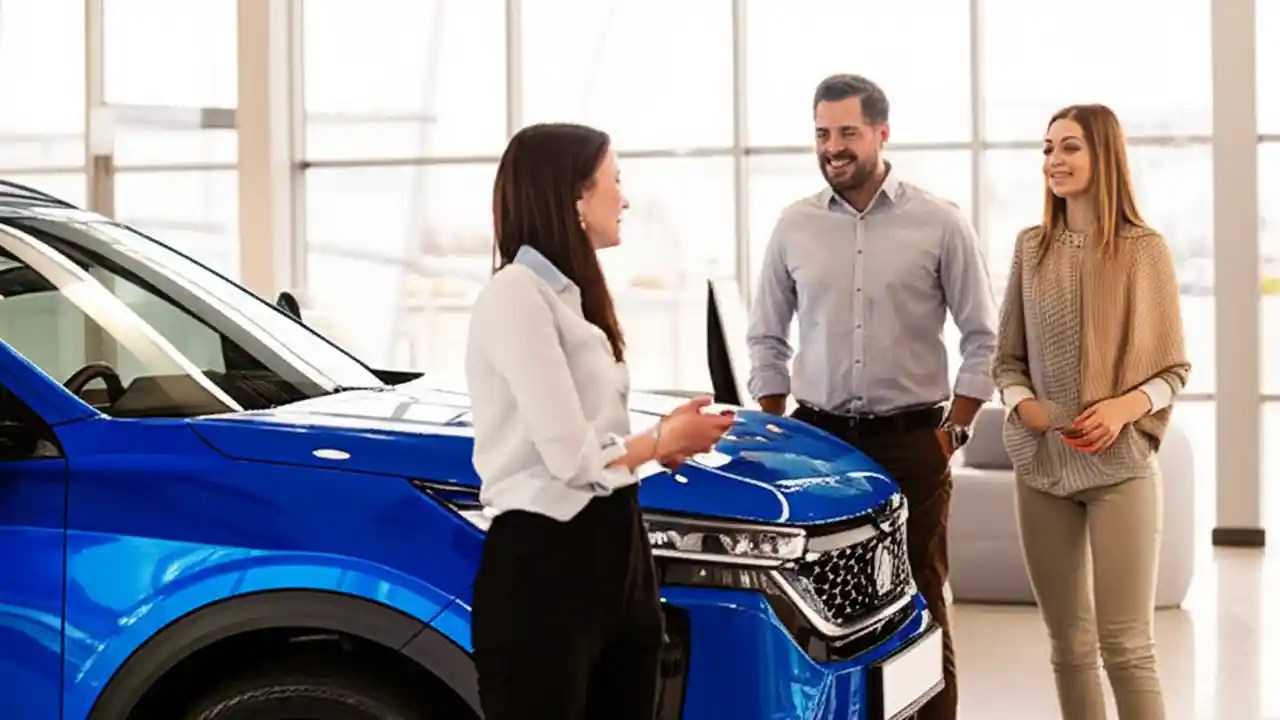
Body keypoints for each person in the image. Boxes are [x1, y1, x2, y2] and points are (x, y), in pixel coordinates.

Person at [746, 73, 998, 720]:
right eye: (823, 134)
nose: (833, 147)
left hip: (913, 445)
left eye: (847, 133)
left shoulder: (940, 223)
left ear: (882, 134)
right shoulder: (794, 226)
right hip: (816, 448)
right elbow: (766, 338)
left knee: (918, 603)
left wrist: (953, 433)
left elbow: (983, 339)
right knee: (823, 612)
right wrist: (775, 427)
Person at [463, 122, 734, 720]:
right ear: (573, 198)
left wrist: (660, 442)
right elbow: (571, 457)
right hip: (544, 565)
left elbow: (592, 436)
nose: (626, 198)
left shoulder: (572, 297)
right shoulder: (515, 296)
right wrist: (661, 438)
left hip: (617, 549)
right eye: (616, 180)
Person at [992, 103, 1190, 720]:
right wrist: (1023, 405)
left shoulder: (1144, 250)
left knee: (1127, 649)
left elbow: (1173, 370)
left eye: (1070, 147)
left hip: (1121, 469)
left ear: (1104, 155)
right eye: (1048, 148)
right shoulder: (1031, 248)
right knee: (1069, 649)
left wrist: (1123, 409)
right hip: (1042, 464)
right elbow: (1006, 361)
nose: (1054, 160)